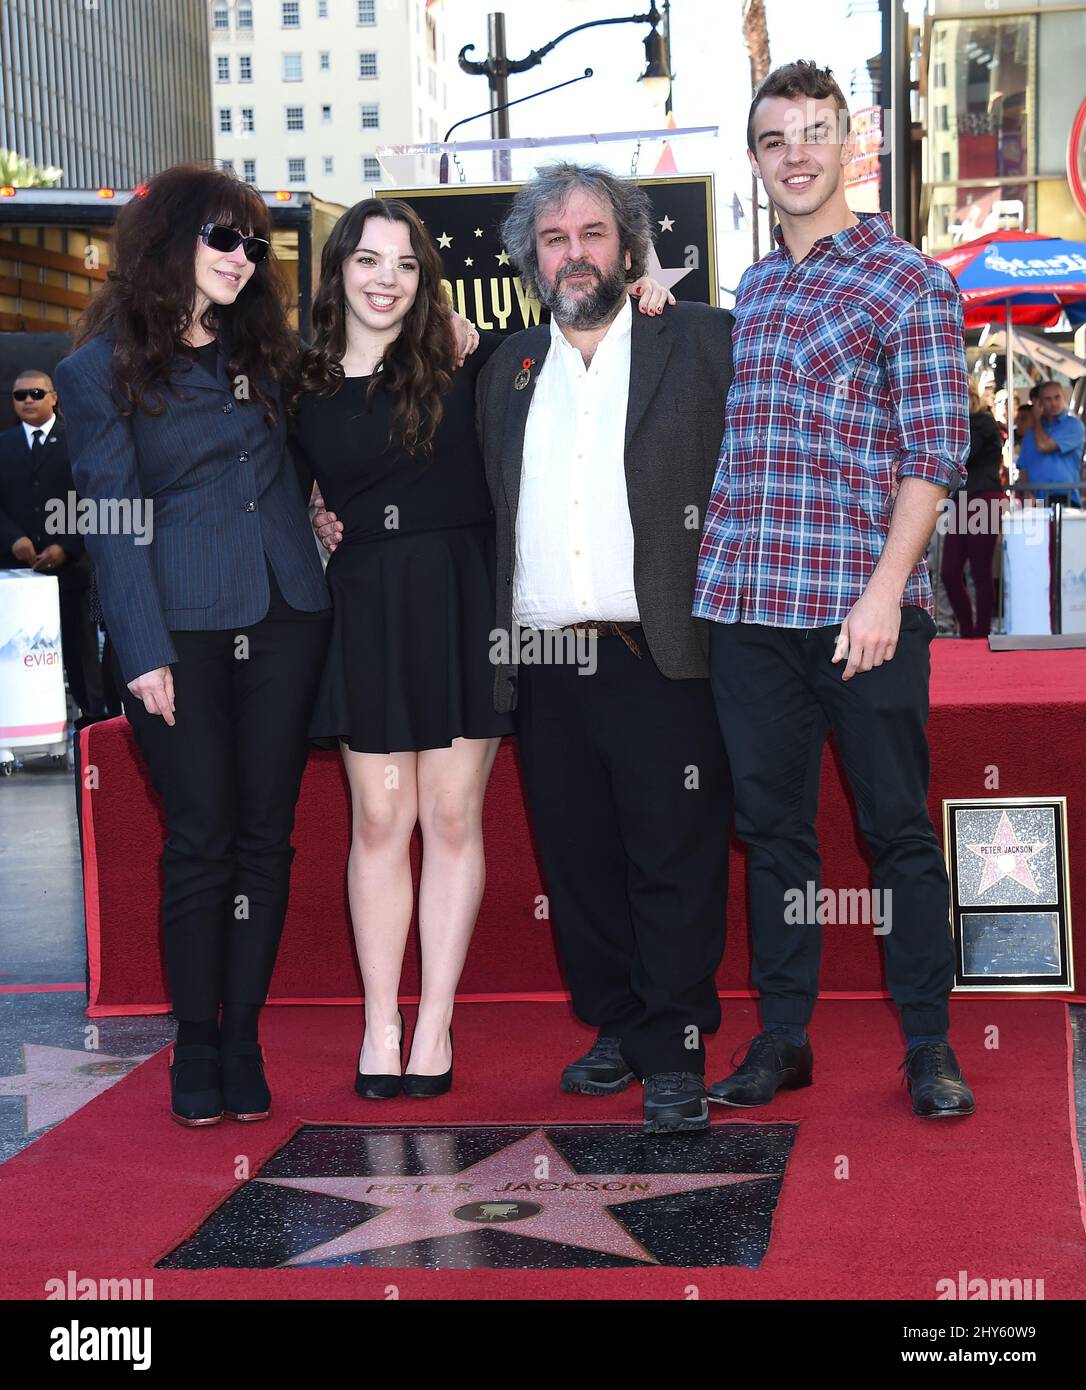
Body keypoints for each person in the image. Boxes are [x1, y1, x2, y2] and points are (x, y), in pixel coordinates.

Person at [306, 197, 675, 1102]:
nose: (387, 279)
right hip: (366, 612)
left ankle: (435, 1023)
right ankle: (381, 1024)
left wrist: (650, 293)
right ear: (338, 270)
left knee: (451, 818)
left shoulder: (475, 361)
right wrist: (314, 521)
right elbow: (279, 493)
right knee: (380, 820)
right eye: (368, 260)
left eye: (405, 263)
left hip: (467, 605)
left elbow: (592, 338)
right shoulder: (297, 380)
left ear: (425, 279)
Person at [694, 61, 975, 1119]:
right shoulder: (757, 289)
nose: (796, 154)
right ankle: (783, 1039)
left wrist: (885, 593)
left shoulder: (910, 281)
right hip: (749, 609)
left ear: (849, 145)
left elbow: (935, 454)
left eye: (815, 132)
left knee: (897, 830)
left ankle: (930, 1046)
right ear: (756, 160)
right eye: (775, 139)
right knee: (773, 835)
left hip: (865, 612)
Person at [55, 165, 333, 1128]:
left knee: (265, 836)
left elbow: (352, 406)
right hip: (177, 631)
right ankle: (197, 1042)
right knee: (201, 835)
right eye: (222, 237)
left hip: (287, 615)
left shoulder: (271, 350)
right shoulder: (99, 371)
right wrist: (140, 650)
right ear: (169, 240)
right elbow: (112, 517)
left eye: (253, 244)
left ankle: (243, 1039)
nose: (241, 257)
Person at [474, 164, 734, 1135]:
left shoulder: (699, 339)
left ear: (628, 247)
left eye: (592, 233)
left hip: (658, 651)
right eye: (554, 239)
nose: (574, 253)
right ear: (530, 260)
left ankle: (676, 1045)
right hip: (546, 661)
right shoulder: (506, 368)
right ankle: (619, 1024)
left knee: (673, 857)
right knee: (578, 863)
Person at [0, 369, 107, 724]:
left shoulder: (78, 441)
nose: (28, 400)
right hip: (16, 577)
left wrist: (67, 546)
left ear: (54, 397)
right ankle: (20, 725)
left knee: (81, 653)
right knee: (18, 652)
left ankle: (92, 722)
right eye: (20, 395)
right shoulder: (3, 444)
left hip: (72, 572)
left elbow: (94, 501)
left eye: (36, 393)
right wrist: (13, 538)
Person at [940, 378, 1006, 639]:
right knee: (949, 572)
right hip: (961, 501)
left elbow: (966, 454)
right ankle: (969, 630)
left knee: (980, 570)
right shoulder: (960, 425)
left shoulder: (983, 422)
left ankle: (981, 632)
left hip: (984, 499)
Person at [1016, 380, 1084, 507]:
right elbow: (1023, 472)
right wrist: (1027, 503)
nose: (1053, 403)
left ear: (1064, 398)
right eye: (1048, 399)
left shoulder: (1073, 425)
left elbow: (1044, 446)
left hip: (1066, 497)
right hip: (1038, 502)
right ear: (1040, 404)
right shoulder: (1030, 435)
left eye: (1057, 397)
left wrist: (1036, 419)